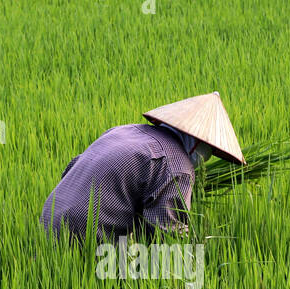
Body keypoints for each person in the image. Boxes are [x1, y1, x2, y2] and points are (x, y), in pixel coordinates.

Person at [40, 92, 245, 242]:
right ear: (198, 144)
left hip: (49, 219)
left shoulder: (124, 130)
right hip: (85, 234)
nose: (206, 158)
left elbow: (72, 167)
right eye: (209, 151)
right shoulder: (178, 165)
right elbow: (165, 234)